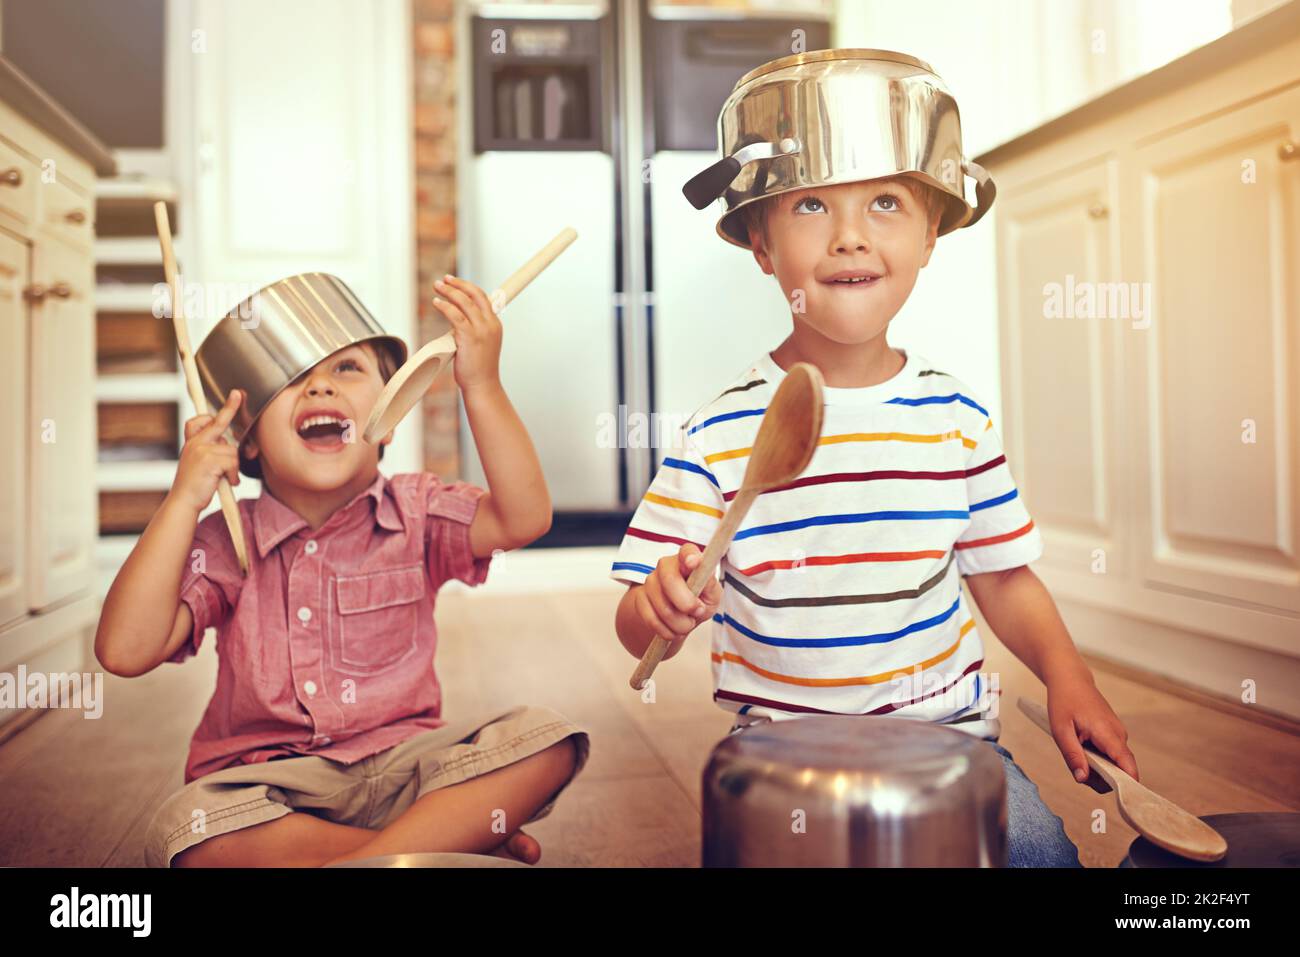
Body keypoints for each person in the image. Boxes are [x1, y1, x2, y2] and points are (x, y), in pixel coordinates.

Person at [612, 49, 1138, 868]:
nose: (850, 235)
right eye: (813, 203)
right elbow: (636, 615)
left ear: (932, 232)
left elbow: (1001, 575)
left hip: (951, 751)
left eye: (886, 202)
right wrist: (657, 609)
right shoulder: (717, 434)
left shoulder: (957, 417)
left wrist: (1068, 676)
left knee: (1042, 860)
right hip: (781, 764)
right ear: (759, 239)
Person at [98, 274, 588, 867]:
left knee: (546, 740)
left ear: (392, 412)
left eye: (347, 369)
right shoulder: (225, 540)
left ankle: (393, 853)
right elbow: (124, 651)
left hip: (410, 772)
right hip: (271, 789)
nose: (320, 387)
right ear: (245, 441)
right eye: (292, 379)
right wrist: (182, 500)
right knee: (188, 832)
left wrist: (480, 383)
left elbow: (524, 518)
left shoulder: (418, 511)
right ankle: (435, 850)